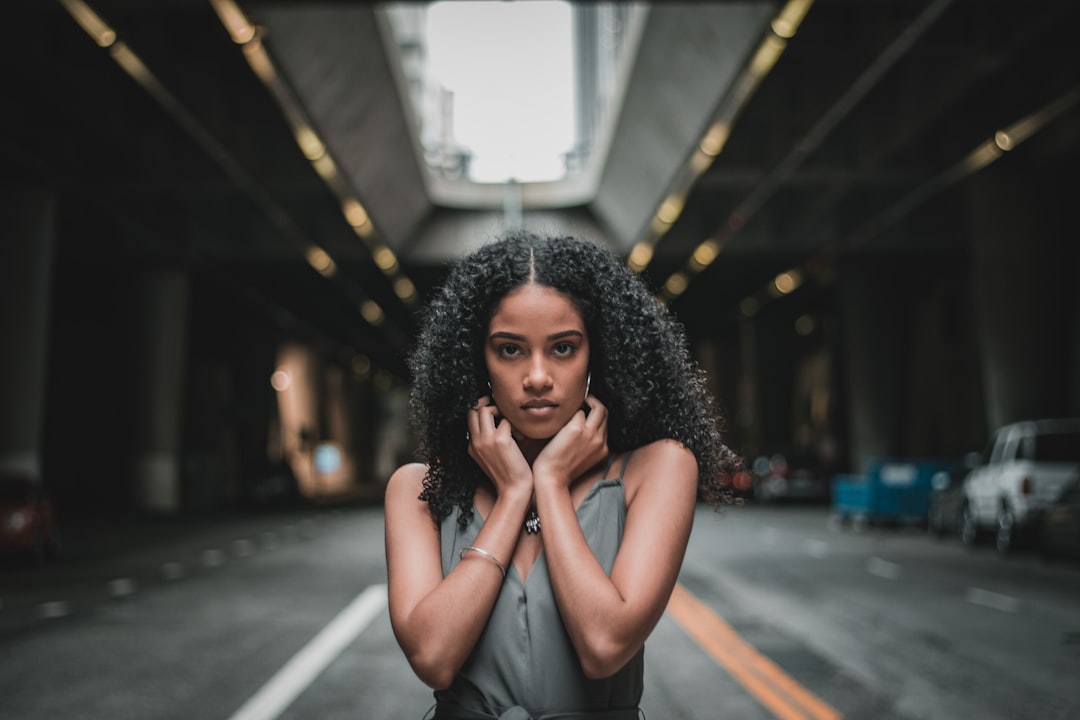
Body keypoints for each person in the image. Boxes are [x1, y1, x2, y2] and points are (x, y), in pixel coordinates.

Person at [385, 231, 738, 719]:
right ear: (477, 361)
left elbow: (604, 645)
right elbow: (433, 658)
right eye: (510, 350)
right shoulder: (418, 489)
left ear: (598, 354)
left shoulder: (658, 468)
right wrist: (513, 495)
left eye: (563, 348)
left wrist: (549, 483)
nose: (536, 376)